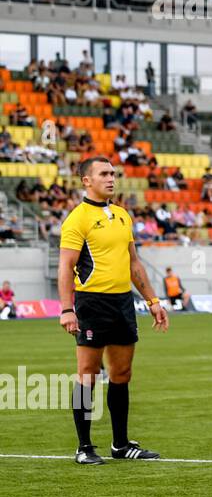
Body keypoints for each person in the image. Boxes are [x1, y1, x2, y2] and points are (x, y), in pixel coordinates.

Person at [58, 156, 170, 464]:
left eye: (113, 173)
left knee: (122, 373)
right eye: (104, 174)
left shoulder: (122, 215)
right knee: (88, 374)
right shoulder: (77, 219)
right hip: (91, 303)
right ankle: (84, 447)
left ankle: (120, 445)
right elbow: (66, 266)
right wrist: (67, 309)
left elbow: (134, 263)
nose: (111, 178)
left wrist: (153, 301)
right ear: (86, 181)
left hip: (123, 303)